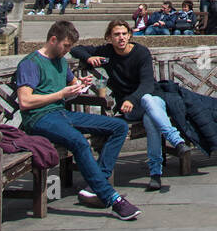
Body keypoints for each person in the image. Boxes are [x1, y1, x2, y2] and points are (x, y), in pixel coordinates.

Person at [15, 19, 139, 219]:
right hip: (40, 118)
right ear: (53, 40)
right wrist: (61, 94)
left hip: (62, 114)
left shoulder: (60, 61)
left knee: (118, 126)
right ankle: (112, 198)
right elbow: (25, 101)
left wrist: (80, 85)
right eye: (65, 46)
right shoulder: (30, 63)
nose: (67, 51)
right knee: (79, 142)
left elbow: (72, 87)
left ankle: (97, 182)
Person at [72, 19, 190, 193]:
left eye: (124, 34)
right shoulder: (106, 52)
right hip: (131, 107)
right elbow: (75, 49)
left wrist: (132, 99)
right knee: (151, 115)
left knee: (150, 110)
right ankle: (173, 145)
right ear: (109, 38)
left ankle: (157, 171)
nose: (121, 38)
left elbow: (148, 84)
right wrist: (89, 57)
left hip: (148, 99)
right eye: (116, 35)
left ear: (130, 35)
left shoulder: (141, 52)